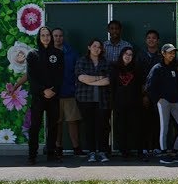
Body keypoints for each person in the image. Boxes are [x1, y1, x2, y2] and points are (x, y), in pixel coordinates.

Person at [24, 26, 63, 163]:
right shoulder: (32, 55)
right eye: (43, 35)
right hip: (38, 96)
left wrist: (53, 90)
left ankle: (51, 153)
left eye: (48, 35)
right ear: (39, 38)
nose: (46, 38)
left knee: (53, 125)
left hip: (53, 96)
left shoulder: (58, 54)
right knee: (35, 125)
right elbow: (31, 77)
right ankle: (32, 155)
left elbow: (60, 75)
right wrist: (42, 91)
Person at [146, 43, 178, 164]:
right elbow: (149, 86)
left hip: (176, 102)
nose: (172, 54)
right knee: (164, 128)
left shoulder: (173, 67)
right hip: (163, 102)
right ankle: (164, 154)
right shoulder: (157, 68)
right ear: (163, 53)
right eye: (169, 52)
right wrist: (158, 100)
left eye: (173, 52)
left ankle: (174, 152)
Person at [74, 38, 112, 163]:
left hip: (103, 100)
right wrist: (98, 78)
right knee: (89, 126)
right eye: (95, 46)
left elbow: (108, 80)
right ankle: (91, 152)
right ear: (89, 47)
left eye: (99, 47)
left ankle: (102, 152)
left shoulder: (105, 62)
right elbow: (81, 78)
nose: (97, 49)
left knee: (103, 127)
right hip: (85, 99)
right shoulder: (82, 61)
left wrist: (91, 82)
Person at [51, 28, 82, 159]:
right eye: (55, 36)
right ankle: (58, 147)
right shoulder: (47, 53)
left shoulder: (72, 53)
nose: (58, 38)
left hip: (70, 93)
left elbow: (79, 72)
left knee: (72, 121)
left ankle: (76, 148)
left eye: (60, 36)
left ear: (63, 37)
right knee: (56, 123)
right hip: (53, 95)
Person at [110, 46, 145, 160]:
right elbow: (112, 86)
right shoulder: (115, 68)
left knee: (137, 127)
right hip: (119, 103)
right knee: (121, 128)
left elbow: (142, 85)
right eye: (125, 54)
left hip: (135, 103)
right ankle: (124, 151)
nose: (128, 56)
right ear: (121, 55)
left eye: (130, 54)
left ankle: (140, 151)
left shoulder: (137, 68)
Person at [136, 29, 165, 158]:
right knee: (144, 122)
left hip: (159, 94)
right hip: (144, 93)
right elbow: (138, 75)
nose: (151, 40)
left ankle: (157, 147)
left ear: (158, 41)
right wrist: (144, 94)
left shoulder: (162, 55)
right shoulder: (140, 55)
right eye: (149, 38)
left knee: (159, 121)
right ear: (145, 40)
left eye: (154, 38)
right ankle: (145, 148)